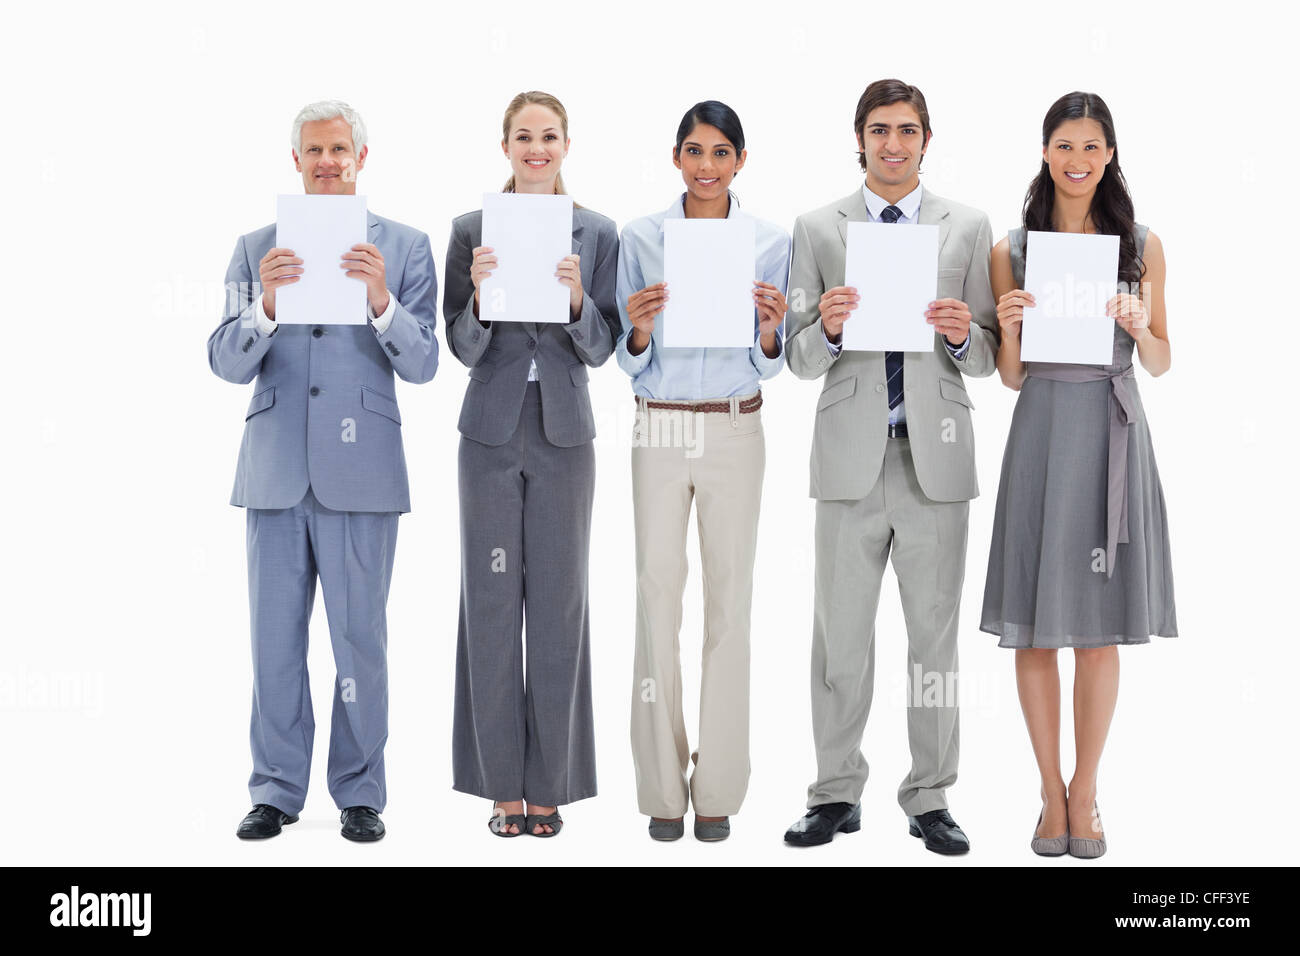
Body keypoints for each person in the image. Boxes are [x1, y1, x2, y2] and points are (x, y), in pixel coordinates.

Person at [208, 100, 439, 843]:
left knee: (358, 642)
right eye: (315, 150)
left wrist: (381, 302)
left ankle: (360, 791)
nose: (328, 161)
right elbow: (222, 359)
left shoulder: (403, 247)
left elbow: (428, 360)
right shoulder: (255, 249)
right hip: (275, 471)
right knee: (273, 641)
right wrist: (265, 308)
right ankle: (275, 788)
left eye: (340, 148)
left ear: (361, 158)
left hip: (362, 475)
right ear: (297, 161)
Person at [781, 79, 998, 853]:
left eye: (907, 130)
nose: (893, 143)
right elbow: (796, 359)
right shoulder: (818, 228)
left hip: (933, 460)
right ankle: (835, 792)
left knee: (933, 644)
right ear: (860, 138)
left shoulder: (967, 227)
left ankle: (930, 795)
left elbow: (990, 357)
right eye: (880, 129)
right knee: (840, 639)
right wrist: (829, 331)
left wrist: (962, 333)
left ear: (925, 140)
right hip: (849, 460)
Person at [981, 91, 1177, 859]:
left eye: (1092, 146)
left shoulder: (1142, 244)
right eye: (1065, 145)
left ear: (1111, 155)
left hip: (1110, 426)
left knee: (1097, 635)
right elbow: (1008, 376)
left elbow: (1163, 360)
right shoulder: (1013, 246)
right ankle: (1048, 793)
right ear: (1044, 151)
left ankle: (1087, 792)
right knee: (1034, 628)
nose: (1078, 160)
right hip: (1040, 430)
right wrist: (1014, 325)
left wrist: (1137, 323)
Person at [444, 91, 620, 838]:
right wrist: (481, 299)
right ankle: (500, 784)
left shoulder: (597, 232)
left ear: (567, 144)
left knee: (559, 604)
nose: (536, 148)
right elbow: (457, 344)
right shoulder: (468, 230)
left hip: (564, 434)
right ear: (505, 145)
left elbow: (605, 345)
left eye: (549, 136)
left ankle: (550, 782)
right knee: (489, 604)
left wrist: (579, 298)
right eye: (524, 136)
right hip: (489, 431)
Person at [616, 101, 788, 843]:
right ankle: (660, 785)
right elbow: (626, 359)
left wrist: (772, 331)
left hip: (733, 425)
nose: (707, 166)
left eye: (722, 152)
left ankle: (718, 785)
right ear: (676, 158)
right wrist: (639, 329)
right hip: (659, 424)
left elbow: (767, 365)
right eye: (694, 151)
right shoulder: (641, 238)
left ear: (740, 160)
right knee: (657, 600)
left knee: (731, 607)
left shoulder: (769, 243)